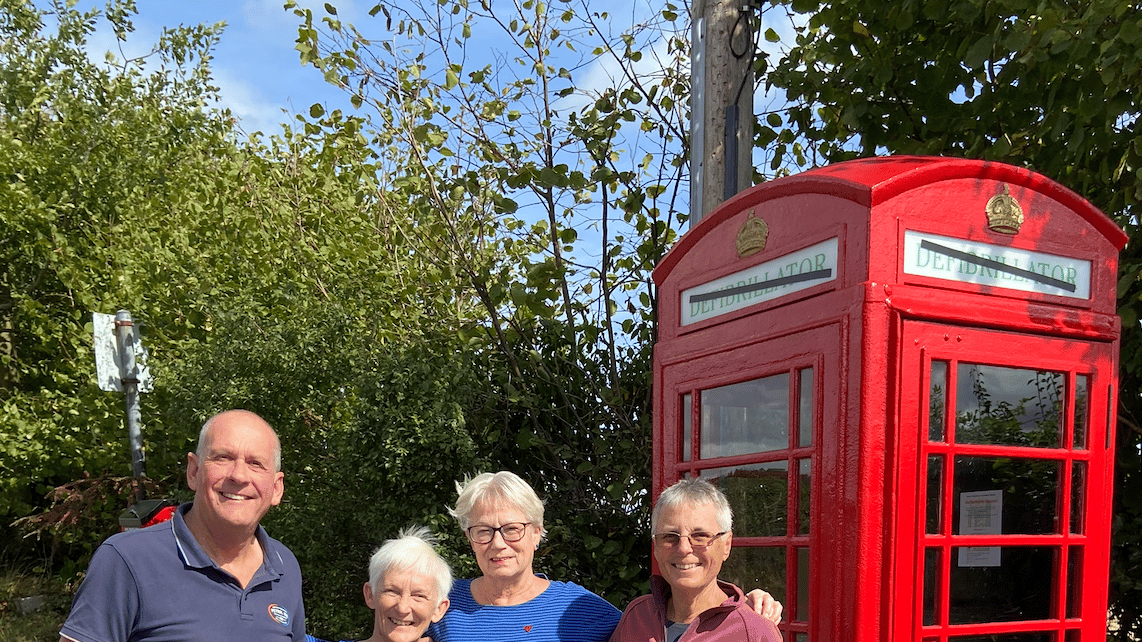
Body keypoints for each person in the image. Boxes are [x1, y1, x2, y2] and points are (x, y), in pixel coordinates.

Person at [427, 471, 781, 642]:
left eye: (513, 529)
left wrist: (745, 609)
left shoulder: (579, 609)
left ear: (537, 533)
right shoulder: (440, 606)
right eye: (483, 530)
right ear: (469, 538)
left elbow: (709, 611)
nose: (498, 543)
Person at [60, 409, 306, 642]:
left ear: (276, 489)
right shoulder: (127, 560)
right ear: (193, 471)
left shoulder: (284, 566)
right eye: (223, 458)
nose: (239, 475)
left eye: (256, 463)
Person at [608, 477, 783, 642]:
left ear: (726, 545)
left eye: (700, 536)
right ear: (655, 546)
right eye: (670, 536)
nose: (684, 548)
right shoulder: (637, 615)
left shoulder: (755, 632)